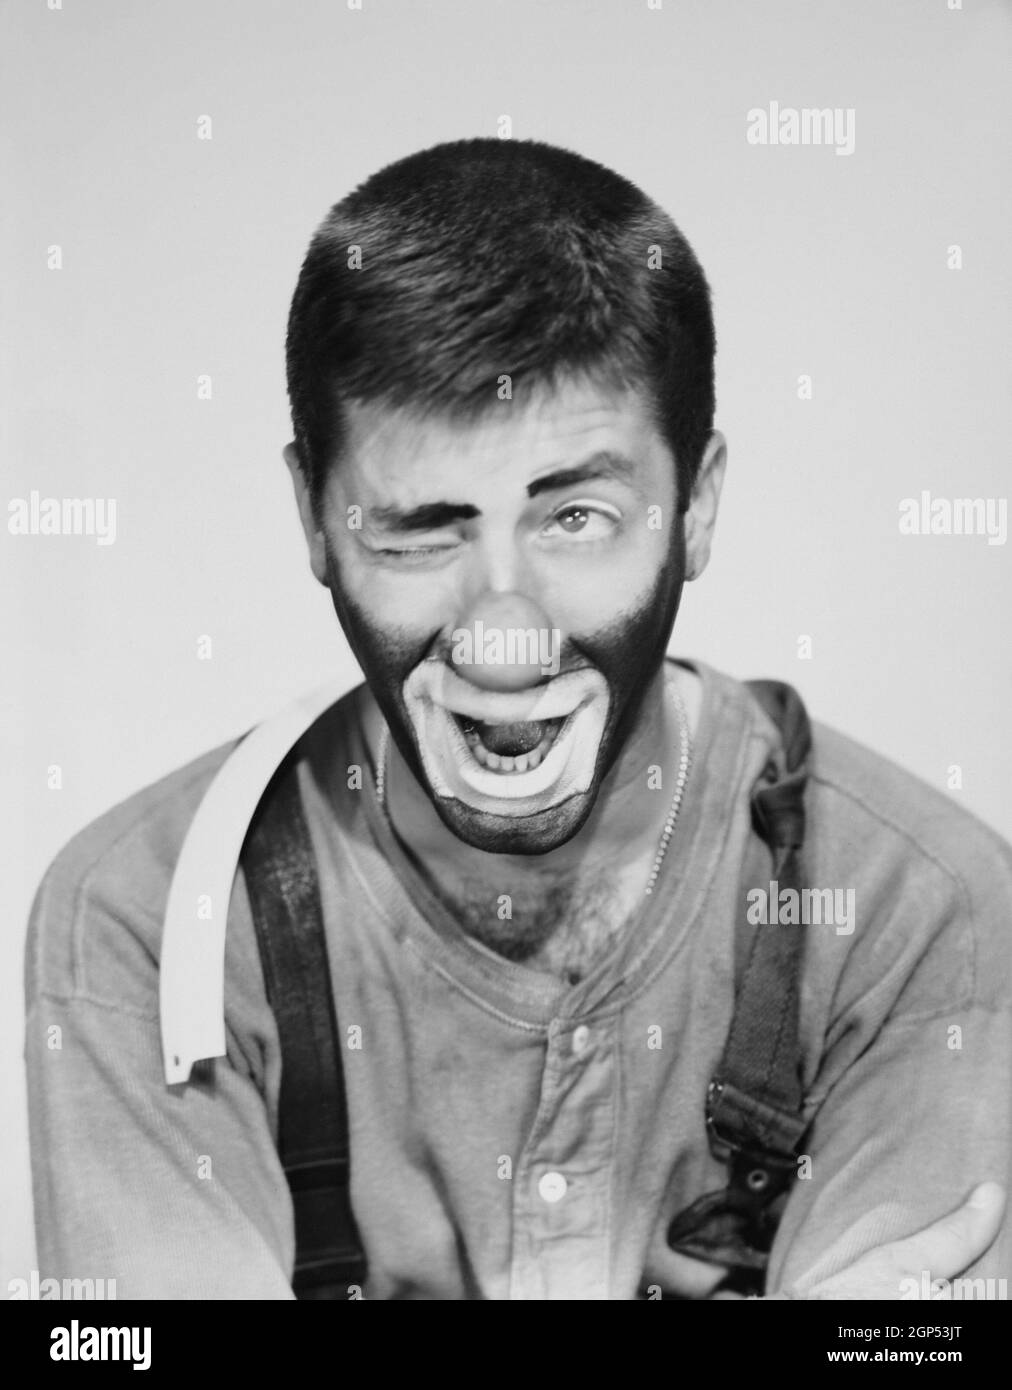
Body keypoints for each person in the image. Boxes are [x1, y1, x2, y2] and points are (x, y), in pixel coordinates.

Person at [25, 139, 1011, 1300]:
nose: (504, 636)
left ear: (694, 506)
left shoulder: (923, 913)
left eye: (577, 518)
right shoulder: (148, 924)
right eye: (420, 527)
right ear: (313, 518)